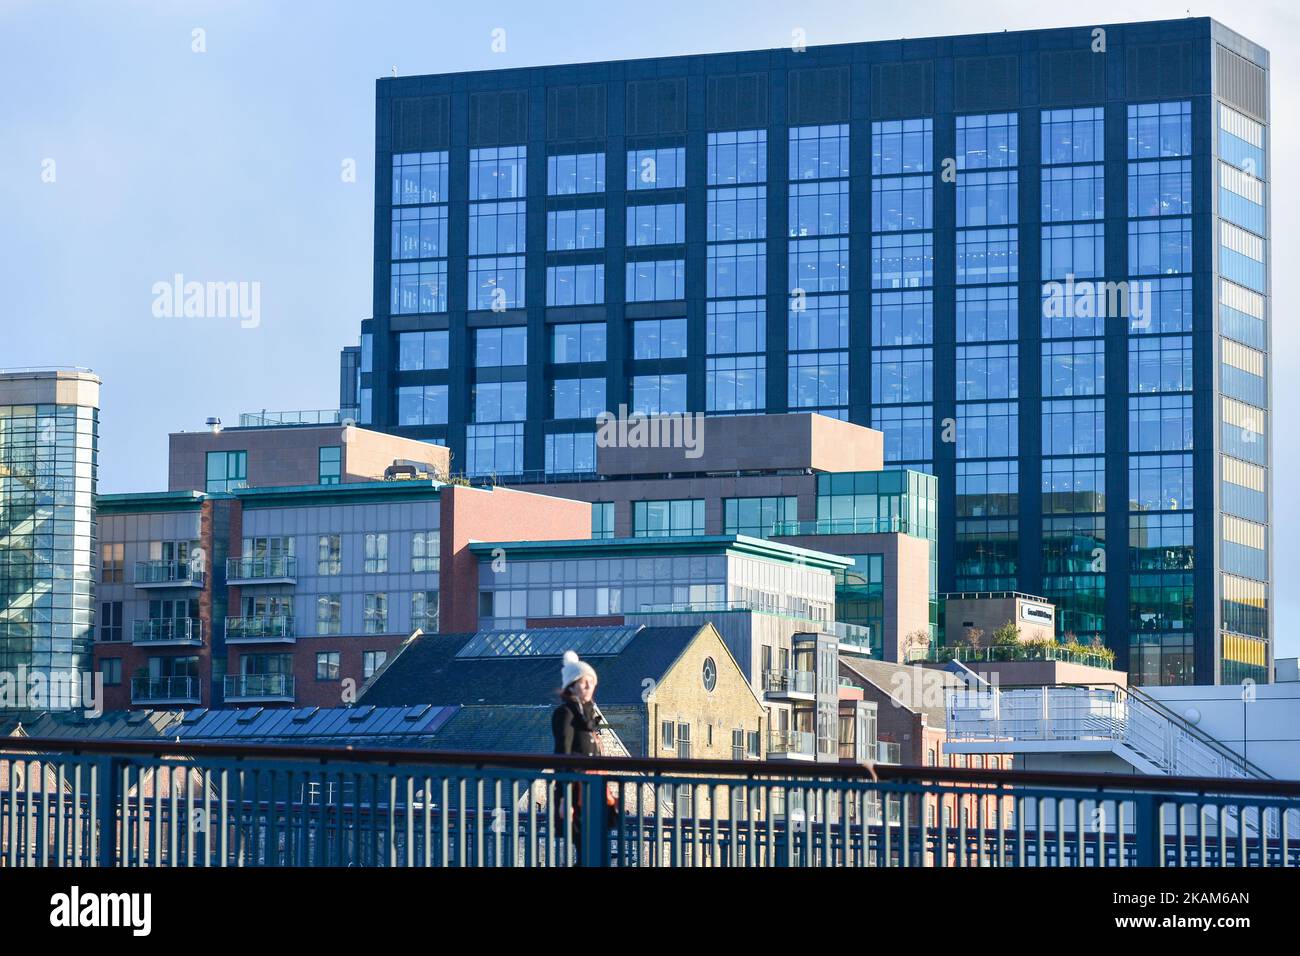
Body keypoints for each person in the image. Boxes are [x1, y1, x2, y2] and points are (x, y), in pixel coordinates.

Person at [551, 650, 610, 863]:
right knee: (586, 852)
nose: (587, 686)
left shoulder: (589, 714)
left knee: (592, 851)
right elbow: (562, 755)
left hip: (594, 790)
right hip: (576, 791)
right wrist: (564, 798)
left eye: (591, 681)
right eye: (582, 681)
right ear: (571, 686)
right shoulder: (565, 714)